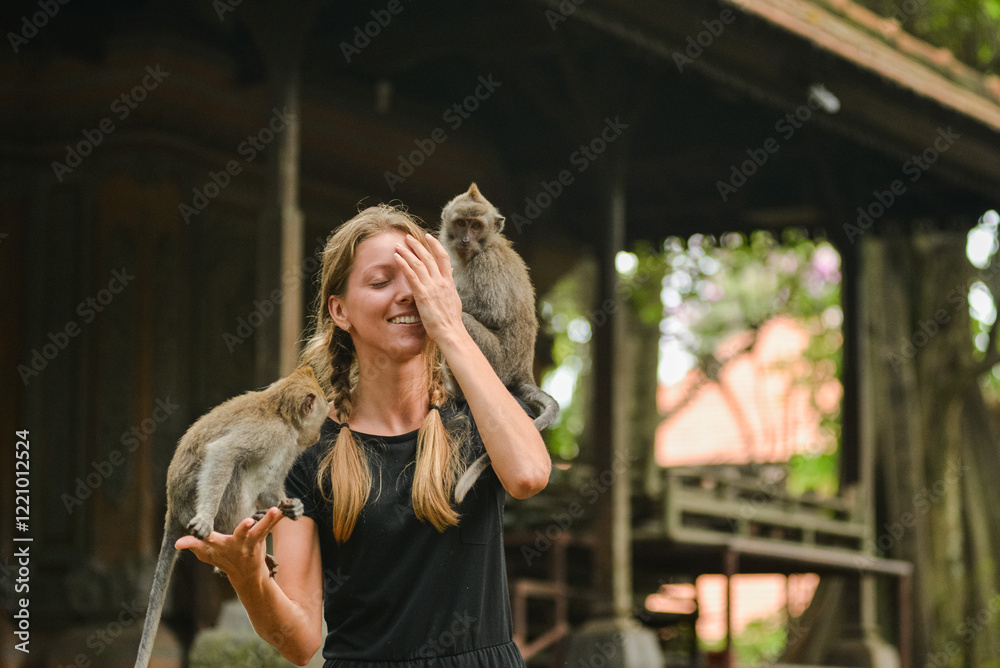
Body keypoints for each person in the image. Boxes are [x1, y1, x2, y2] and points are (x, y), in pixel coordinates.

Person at [175, 204, 551, 667]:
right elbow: (300, 641)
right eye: (380, 282)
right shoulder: (308, 447)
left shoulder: (477, 410)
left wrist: (452, 327)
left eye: (417, 276)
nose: (406, 295)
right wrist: (248, 576)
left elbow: (529, 475)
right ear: (340, 311)